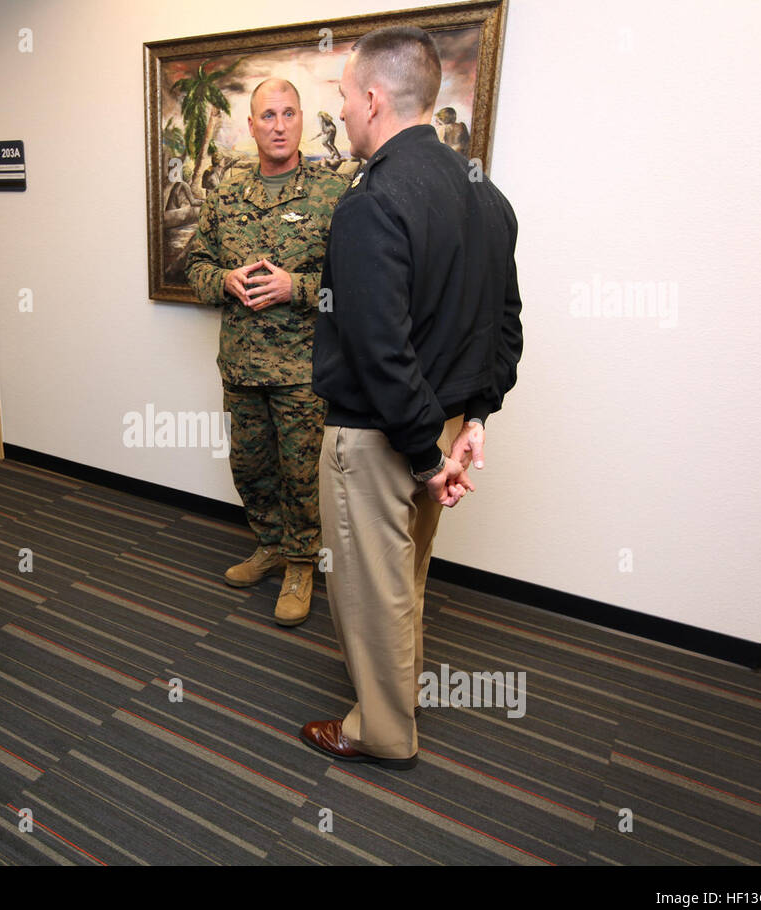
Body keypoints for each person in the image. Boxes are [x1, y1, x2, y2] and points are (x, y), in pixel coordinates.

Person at [301, 27, 523, 768]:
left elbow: (378, 350)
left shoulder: (372, 201)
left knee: (372, 589)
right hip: (442, 428)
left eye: (343, 97)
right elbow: (504, 326)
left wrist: (427, 457)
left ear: (372, 99)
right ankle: (397, 696)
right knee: (405, 577)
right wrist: (475, 421)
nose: (342, 111)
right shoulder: (487, 194)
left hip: (383, 438)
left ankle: (382, 732)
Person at [186, 78, 348, 627]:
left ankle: (301, 564)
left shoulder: (334, 195)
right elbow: (196, 266)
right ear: (251, 126)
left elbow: (356, 284)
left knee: (300, 473)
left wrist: (293, 287)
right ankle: (270, 545)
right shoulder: (226, 195)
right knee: (250, 467)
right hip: (241, 365)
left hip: (303, 371)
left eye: (288, 114)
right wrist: (224, 280)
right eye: (268, 116)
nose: (279, 126)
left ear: (302, 119)